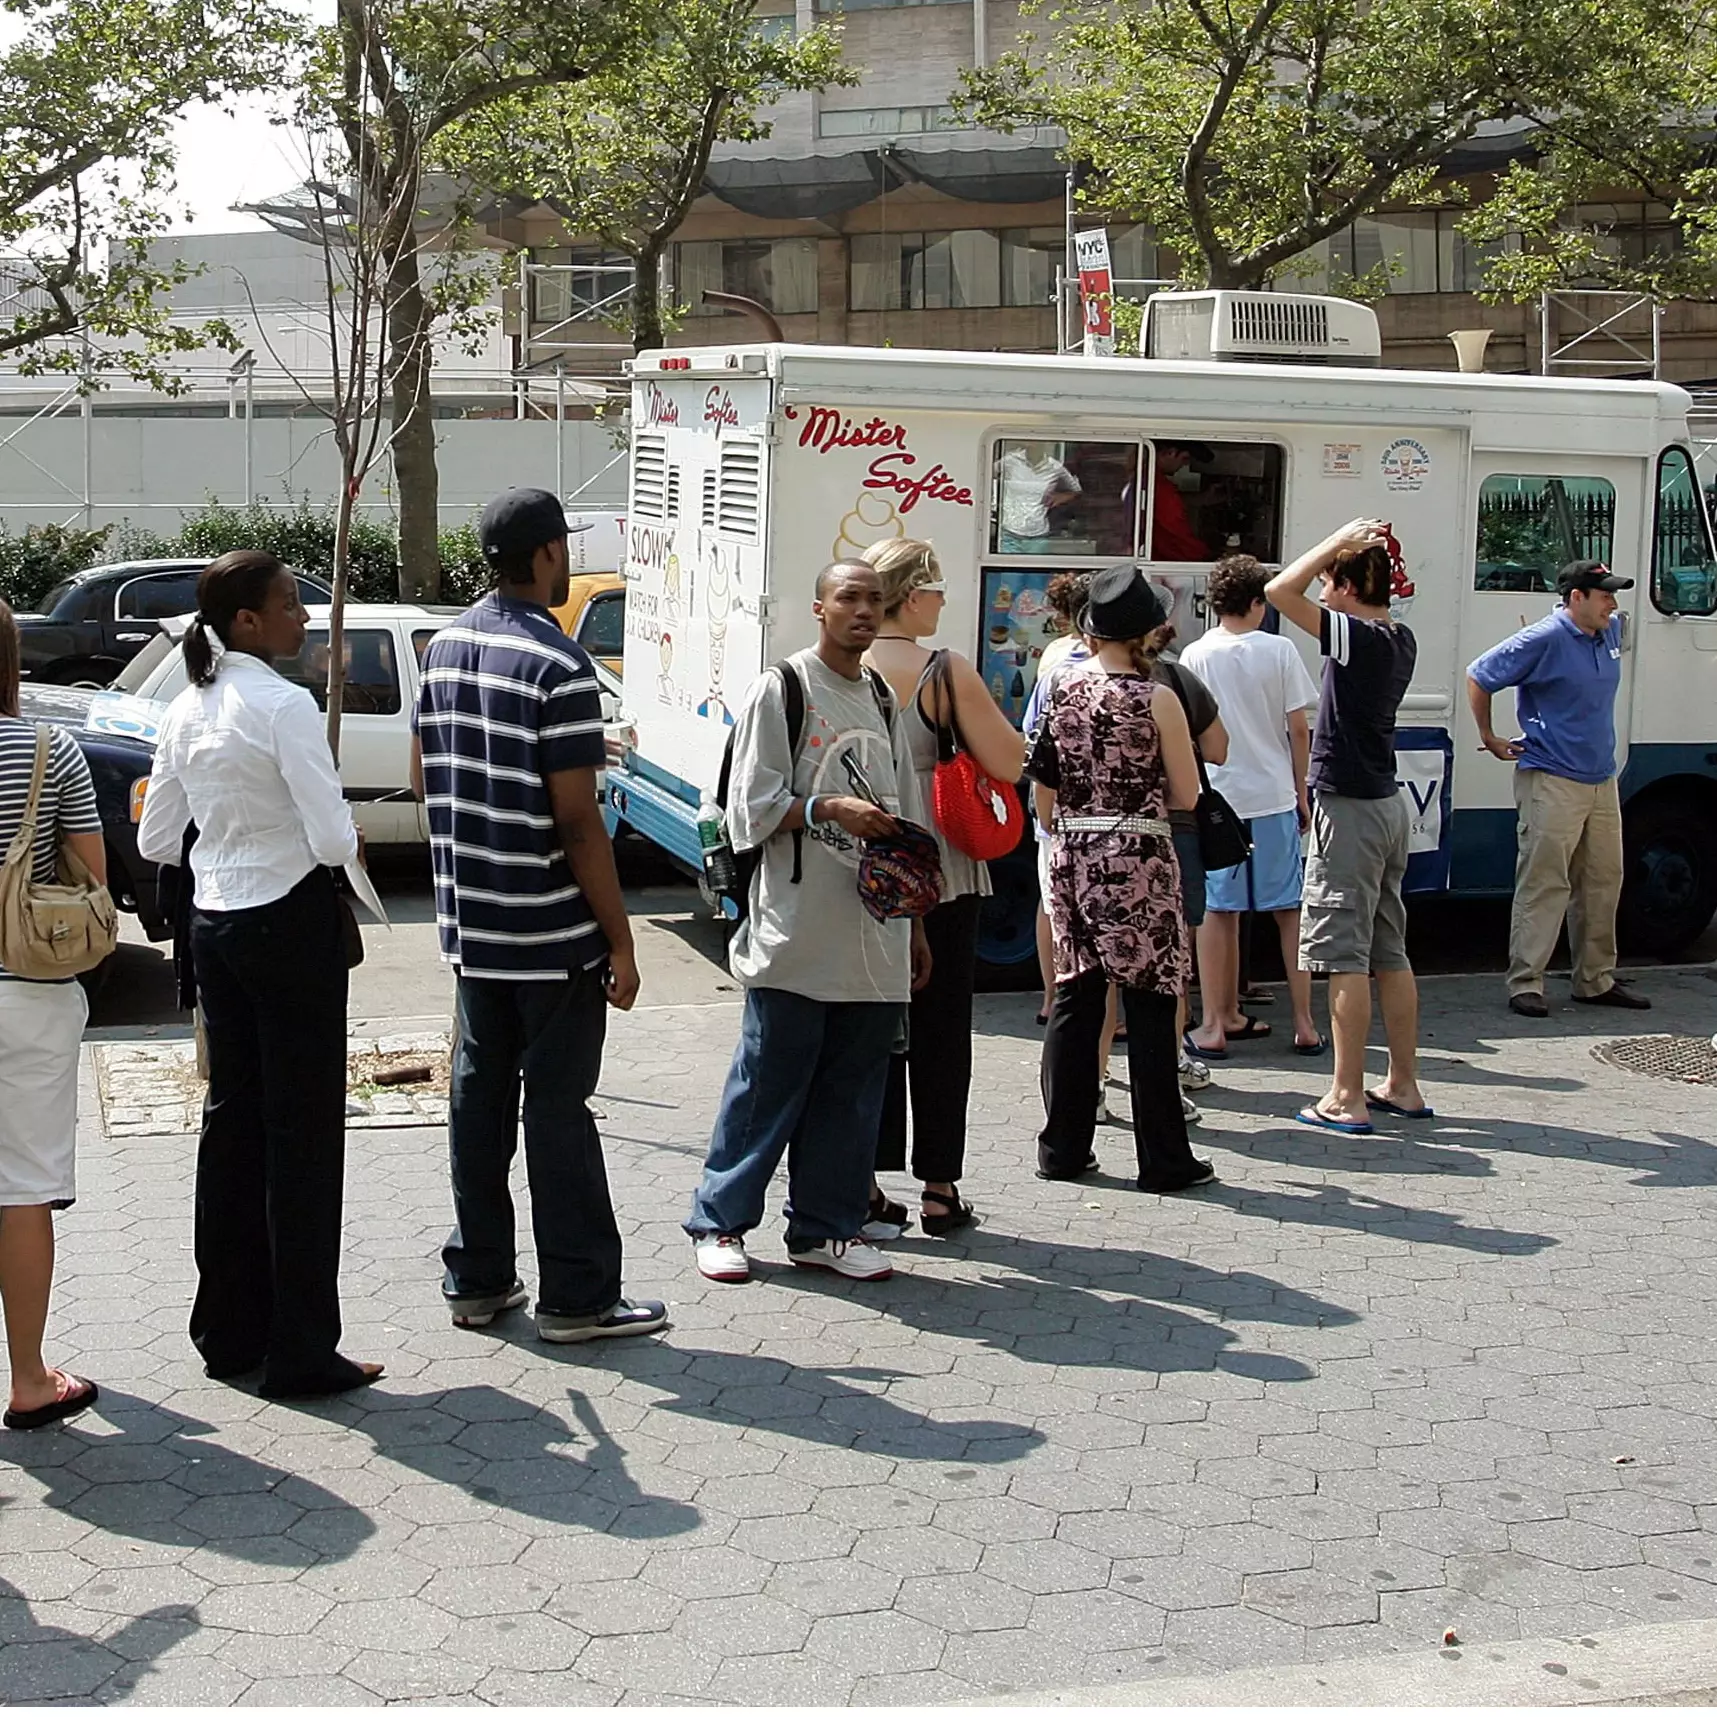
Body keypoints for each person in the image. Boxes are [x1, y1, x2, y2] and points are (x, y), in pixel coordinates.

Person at [411, 487, 664, 1345]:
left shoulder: (443, 647)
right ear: (551, 553)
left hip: (471, 931)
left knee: (476, 1104)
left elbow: (423, 779)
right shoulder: (560, 666)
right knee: (557, 1110)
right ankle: (578, 1297)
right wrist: (622, 939)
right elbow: (578, 818)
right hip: (551, 938)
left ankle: (477, 1279)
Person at [137, 551, 383, 1398]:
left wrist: (229, 839)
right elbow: (328, 838)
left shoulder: (185, 707)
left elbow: (155, 839)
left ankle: (227, 1330)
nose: (303, 617)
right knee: (304, 1136)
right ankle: (303, 1348)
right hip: (289, 923)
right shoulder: (282, 704)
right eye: (289, 605)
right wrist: (333, 834)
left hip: (214, 927)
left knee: (230, 1125)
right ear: (246, 621)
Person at [687, 559, 932, 1285]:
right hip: (794, 930)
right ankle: (720, 1220)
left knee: (853, 1091)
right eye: (847, 598)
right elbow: (749, 809)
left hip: (871, 933)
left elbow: (906, 814)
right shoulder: (783, 687)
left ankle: (825, 1227)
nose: (862, 610)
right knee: (768, 1083)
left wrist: (916, 922)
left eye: (872, 599)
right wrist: (826, 809)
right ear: (819, 608)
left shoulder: (884, 696)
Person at [1029, 563, 1215, 1192]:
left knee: (1077, 1003)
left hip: (1073, 853)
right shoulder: (1156, 697)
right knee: (1152, 1006)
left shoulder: (1060, 688)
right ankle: (1163, 1158)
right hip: (1139, 853)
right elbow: (1187, 791)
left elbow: (1043, 794)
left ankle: (1063, 1147)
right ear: (1148, 632)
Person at [862, 537, 1026, 1238]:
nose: (942, 602)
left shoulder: (849, 663)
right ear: (910, 593)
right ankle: (938, 1185)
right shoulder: (943, 671)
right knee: (941, 1027)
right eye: (935, 590)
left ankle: (862, 1178)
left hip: (866, 860)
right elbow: (1009, 759)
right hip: (941, 862)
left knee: (865, 1028)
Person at [1265, 521, 1429, 1136]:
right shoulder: (1400, 636)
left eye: (1332, 582)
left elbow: (1281, 592)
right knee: (1390, 948)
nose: (1323, 592)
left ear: (1351, 584)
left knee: (1343, 956)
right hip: (1387, 804)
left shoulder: (1356, 635)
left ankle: (1346, 1094)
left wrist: (1332, 542)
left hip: (1350, 808)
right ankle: (1403, 1084)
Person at [0, 600, 104, 1430]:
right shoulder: (48, 748)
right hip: (25, 993)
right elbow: (91, 877)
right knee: (22, 1190)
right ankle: (29, 1377)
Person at [1466, 560, 1649, 1018]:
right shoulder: (1543, 638)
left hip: (1600, 778)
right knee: (1546, 882)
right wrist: (1489, 736)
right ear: (1575, 599)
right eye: (1603, 593)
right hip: (1551, 777)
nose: (1612, 602)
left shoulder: (1607, 632)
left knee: (1604, 881)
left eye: (1613, 594)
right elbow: (1480, 674)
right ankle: (1525, 982)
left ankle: (1595, 979)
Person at [1180, 554, 1323, 1059]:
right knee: (1289, 911)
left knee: (1219, 914)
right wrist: (1302, 791)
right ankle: (1305, 1023)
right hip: (1273, 797)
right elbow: (1299, 728)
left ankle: (1216, 1023)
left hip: (1219, 799)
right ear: (1258, 602)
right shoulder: (1280, 651)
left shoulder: (1195, 656)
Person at [998, 441, 1081, 552]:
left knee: (1034, 569)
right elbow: (984, 473)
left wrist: (1060, 497)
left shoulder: (1055, 467)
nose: (1031, 444)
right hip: (1009, 532)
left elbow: (1075, 490)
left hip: (1038, 535)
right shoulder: (1010, 461)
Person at [1148, 442, 1213, 563]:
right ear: (1170, 452)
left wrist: (1203, 498)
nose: (1185, 464)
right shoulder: (1162, 489)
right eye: (1184, 458)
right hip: (1166, 561)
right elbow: (1178, 534)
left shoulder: (1149, 480)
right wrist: (1205, 554)